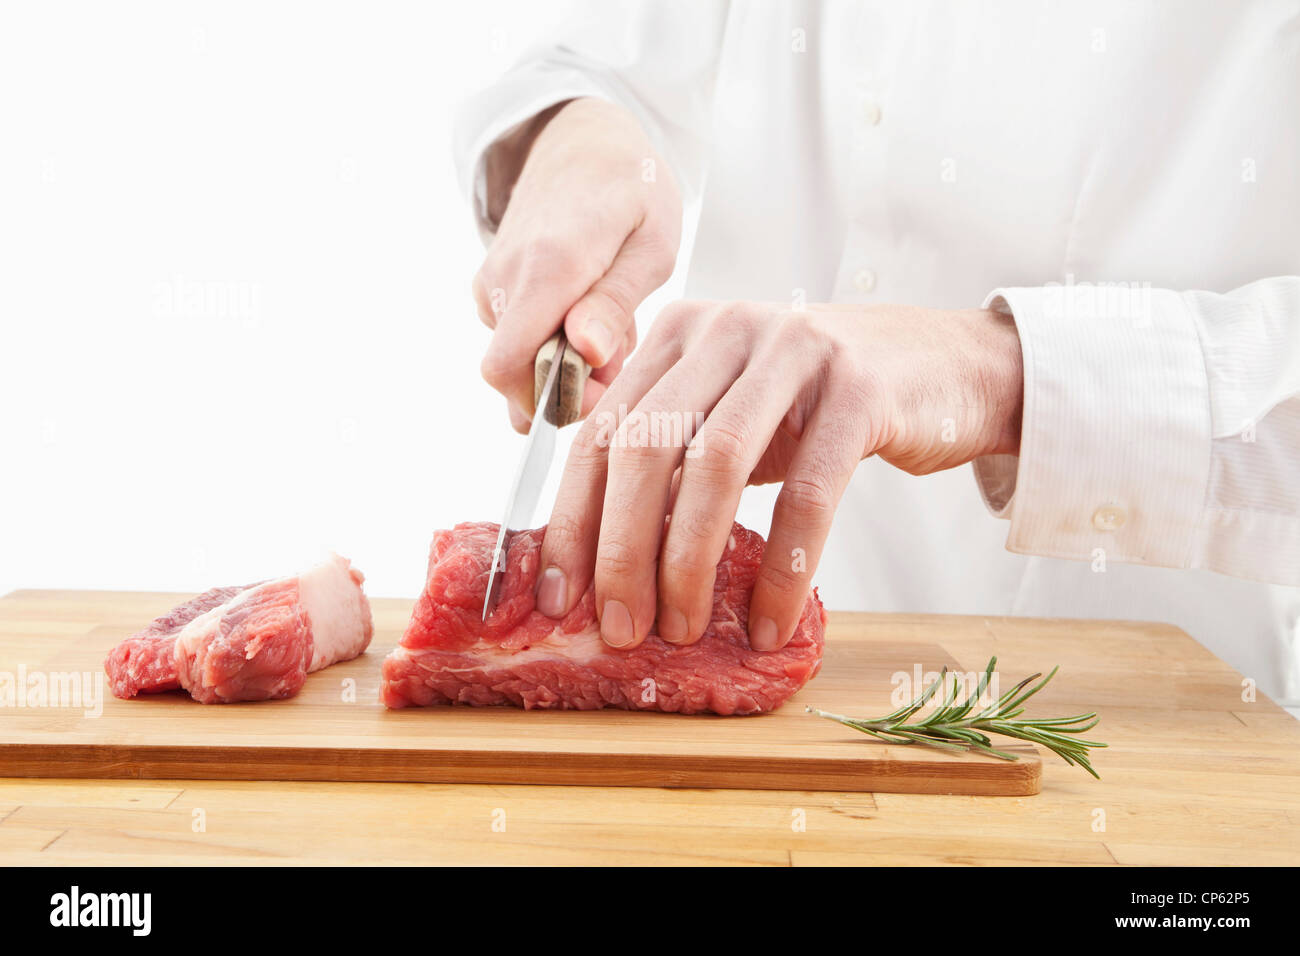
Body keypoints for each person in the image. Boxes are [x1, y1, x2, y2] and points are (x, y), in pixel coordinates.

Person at [453, 1, 1300, 702]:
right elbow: (618, 54)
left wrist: (1002, 375)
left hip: (1155, 715)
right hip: (747, 667)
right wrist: (580, 134)